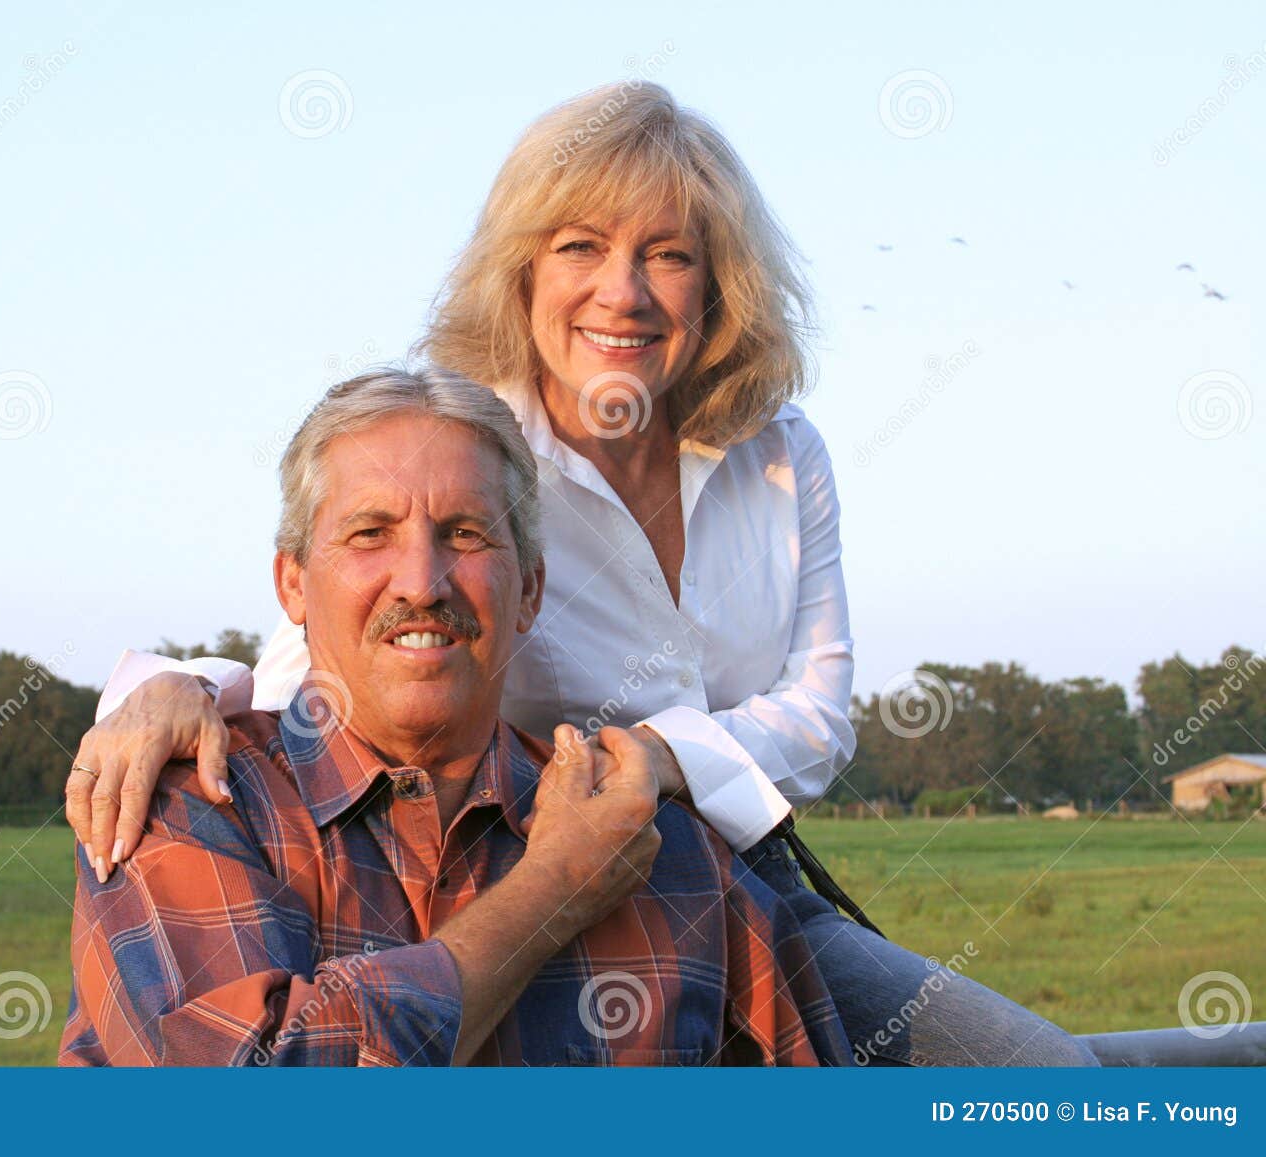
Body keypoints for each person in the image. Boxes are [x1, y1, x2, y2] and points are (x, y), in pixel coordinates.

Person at [66, 83, 1095, 1066]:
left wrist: (653, 755)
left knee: (1041, 1075)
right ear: (521, 271)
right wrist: (177, 691)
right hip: (506, 862)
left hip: (726, 870)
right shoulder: (472, 455)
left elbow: (819, 718)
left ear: (719, 284)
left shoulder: (781, 454)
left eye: (668, 254)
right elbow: (345, 652)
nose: (623, 291)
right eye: (580, 247)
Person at [59, 369, 851, 1066]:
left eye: (465, 534)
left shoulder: (661, 849)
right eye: (370, 533)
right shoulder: (186, 807)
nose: (422, 581)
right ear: (292, 583)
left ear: (529, 590)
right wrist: (553, 886)